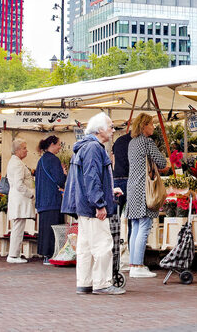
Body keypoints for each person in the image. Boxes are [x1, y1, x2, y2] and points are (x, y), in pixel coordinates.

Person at [62, 113, 124, 295]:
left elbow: (87, 179)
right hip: (91, 207)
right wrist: (100, 203)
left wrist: (107, 191)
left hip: (83, 206)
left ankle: (85, 282)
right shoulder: (94, 148)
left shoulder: (84, 147)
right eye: (111, 126)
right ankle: (102, 283)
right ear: (100, 129)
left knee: (85, 247)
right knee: (103, 245)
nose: (113, 130)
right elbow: (91, 177)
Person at [126, 112, 167, 278]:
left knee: (135, 226)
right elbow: (162, 162)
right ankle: (138, 266)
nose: (153, 127)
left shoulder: (132, 143)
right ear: (144, 126)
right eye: (151, 124)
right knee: (144, 227)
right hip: (145, 189)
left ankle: (133, 264)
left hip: (132, 187)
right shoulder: (147, 142)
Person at [34, 135, 66, 264]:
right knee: (54, 229)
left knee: (45, 229)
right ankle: (51, 255)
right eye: (58, 144)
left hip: (42, 200)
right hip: (53, 200)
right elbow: (60, 180)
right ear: (52, 144)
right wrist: (64, 174)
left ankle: (45, 255)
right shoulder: (54, 160)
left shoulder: (41, 160)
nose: (59, 148)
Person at [6, 138, 36, 264]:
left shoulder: (14, 162)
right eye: (24, 148)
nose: (26, 150)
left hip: (16, 198)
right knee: (18, 227)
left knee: (17, 227)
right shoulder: (17, 163)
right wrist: (31, 194)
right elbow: (19, 184)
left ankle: (14, 254)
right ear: (18, 150)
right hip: (20, 198)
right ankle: (13, 255)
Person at [111, 120, 131, 207]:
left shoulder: (118, 140)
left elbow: (113, 159)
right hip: (128, 178)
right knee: (131, 211)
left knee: (116, 210)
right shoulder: (135, 142)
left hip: (116, 178)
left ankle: (116, 220)